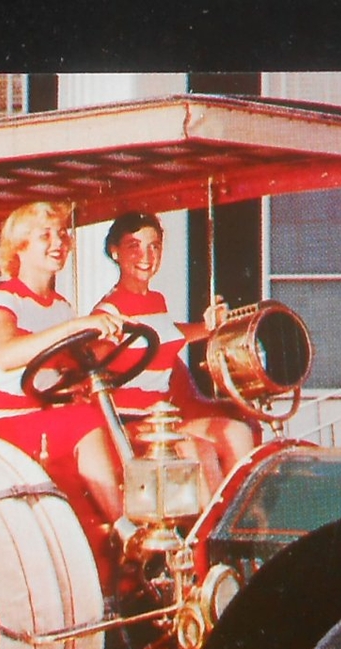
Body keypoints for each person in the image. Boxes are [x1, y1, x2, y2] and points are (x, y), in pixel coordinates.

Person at [0, 202, 126, 520]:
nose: (59, 242)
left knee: (106, 421)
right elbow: (6, 354)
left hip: (35, 414)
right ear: (20, 246)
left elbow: (69, 365)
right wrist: (77, 326)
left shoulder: (61, 306)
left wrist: (107, 342)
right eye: (45, 235)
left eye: (62, 234)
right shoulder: (3, 299)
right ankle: (126, 530)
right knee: (84, 422)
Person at [85, 211, 259, 496]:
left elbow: (168, 333)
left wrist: (208, 327)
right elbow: (93, 364)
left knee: (238, 433)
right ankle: (210, 533)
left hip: (163, 418)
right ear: (115, 252)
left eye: (154, 246)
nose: (146, 255)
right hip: (129, 423)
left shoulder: (155, 300)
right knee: (197, 450)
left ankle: (237, 518)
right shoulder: (108, 311)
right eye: (134, 246)